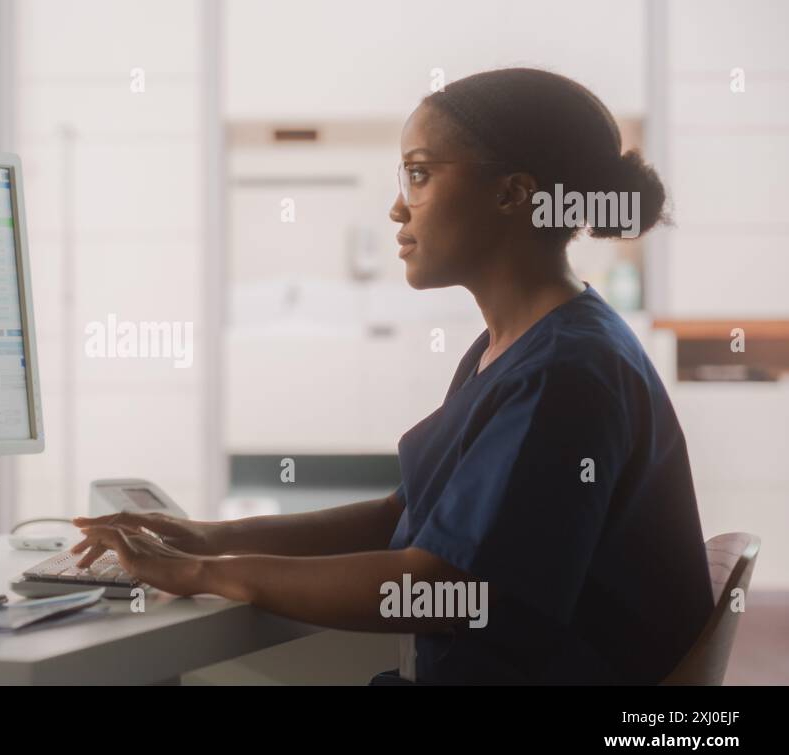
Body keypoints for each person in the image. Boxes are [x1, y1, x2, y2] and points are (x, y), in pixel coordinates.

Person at [69, 68, 713, 685]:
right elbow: (399, 518)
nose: (397, 210)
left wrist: (208, 573)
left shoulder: (566, 374)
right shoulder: (516, 347)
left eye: (420, 175)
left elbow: (446, 589)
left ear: (513, 193)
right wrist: (208, 539)